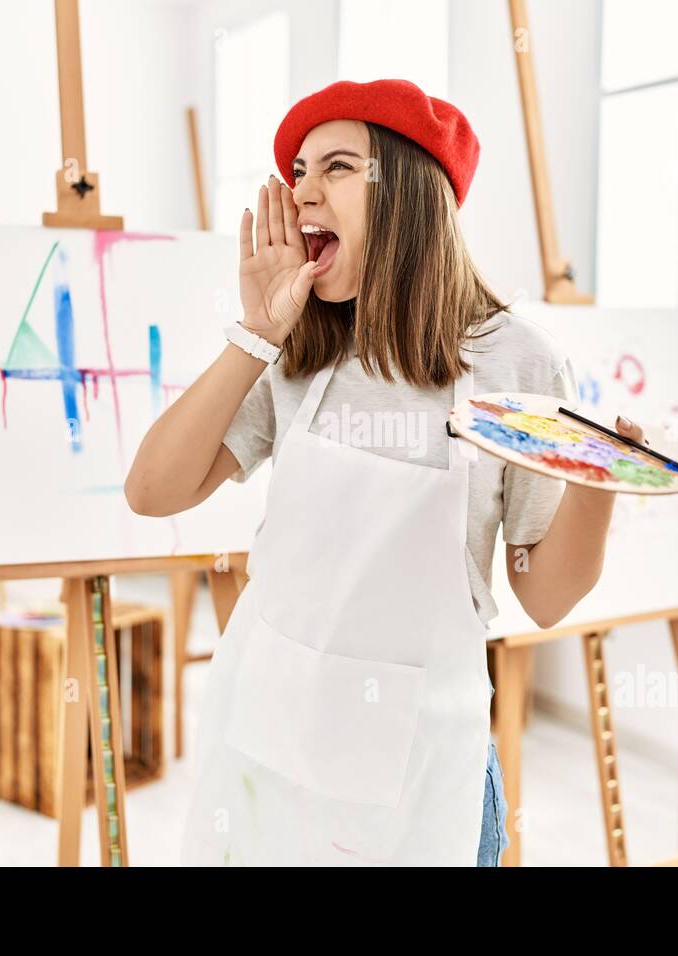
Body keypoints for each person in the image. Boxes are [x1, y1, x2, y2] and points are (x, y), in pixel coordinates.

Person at [124, 79, 642, 866]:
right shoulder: (300, 348)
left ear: (405, 192)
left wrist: (597, 492)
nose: (301, 192)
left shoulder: (514, 361)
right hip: (270, 749)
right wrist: (254, 335)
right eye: (297, 172)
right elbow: (151, 491)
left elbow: (542, 594)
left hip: (423, 772)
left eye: (335, 167)